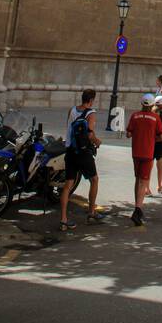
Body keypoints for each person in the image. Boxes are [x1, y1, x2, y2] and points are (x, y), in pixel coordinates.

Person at [60, 88, 103, 232]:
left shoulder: (71, 110)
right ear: (91, 100)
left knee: (68, 185)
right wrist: (97, 141)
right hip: (83, 153)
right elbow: (90, 134)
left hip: (70, 151)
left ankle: (63, 219)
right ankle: (91, 212)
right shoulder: (91, 114)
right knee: (94, 180)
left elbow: (69, 129)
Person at [126, 92, 162, 226]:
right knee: (144, 181)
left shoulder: (135, 116)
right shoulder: (155, 118)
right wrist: (151, 138)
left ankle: (137, 205)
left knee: (137, 179)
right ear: (153, 105)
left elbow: (128, 133)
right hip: (148, 153)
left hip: (136, 152)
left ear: (142, 104)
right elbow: (161, 137)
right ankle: (138, 209)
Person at [148, 95, 162, 195]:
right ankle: (159, 185)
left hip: (151, 141)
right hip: (161, 142)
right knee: (159, 165)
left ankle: (146, 188)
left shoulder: (151, 113)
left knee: (149, 165)